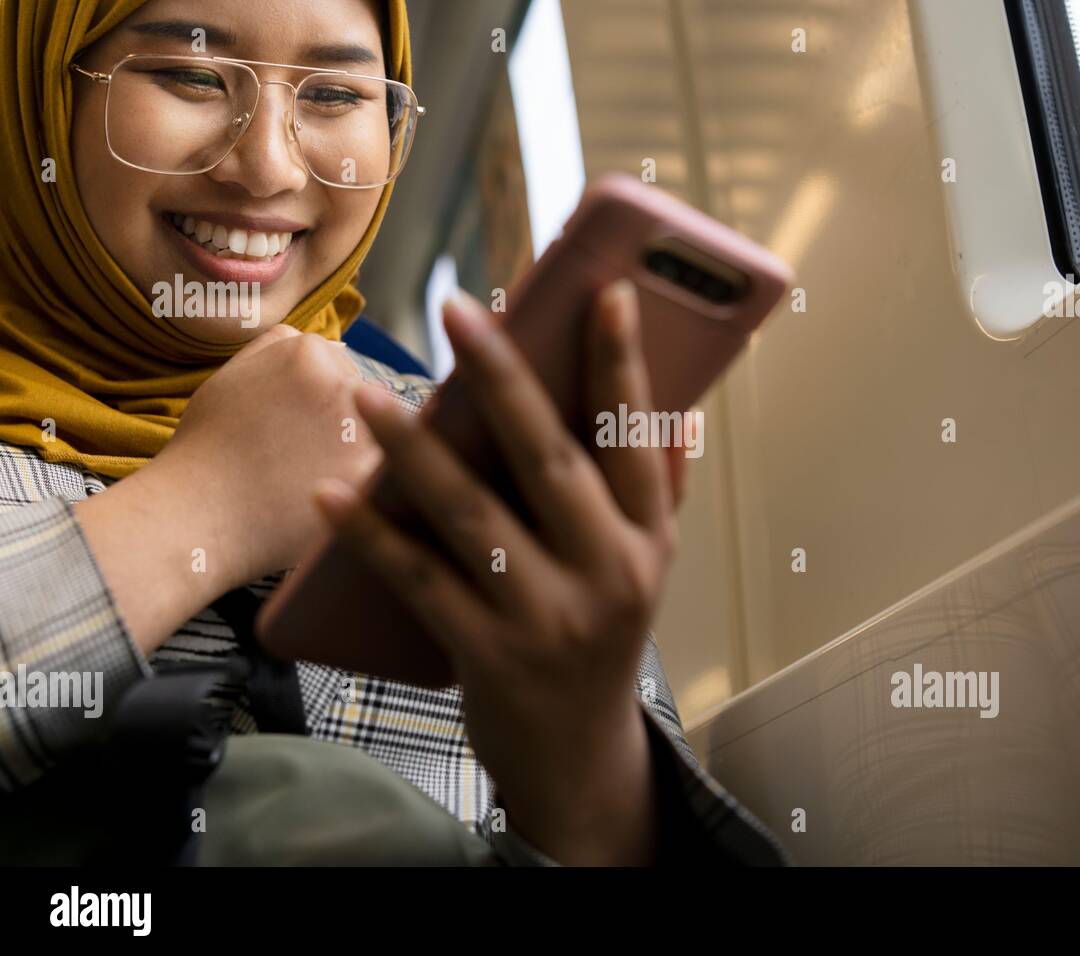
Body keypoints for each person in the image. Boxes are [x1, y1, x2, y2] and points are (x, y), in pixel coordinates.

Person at [0, 0, 788, 865]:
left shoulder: (469, 448)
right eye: (189, 75)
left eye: (336, 95)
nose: (265, 167)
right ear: (42, 91)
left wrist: (583, 767)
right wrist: (203, 506)